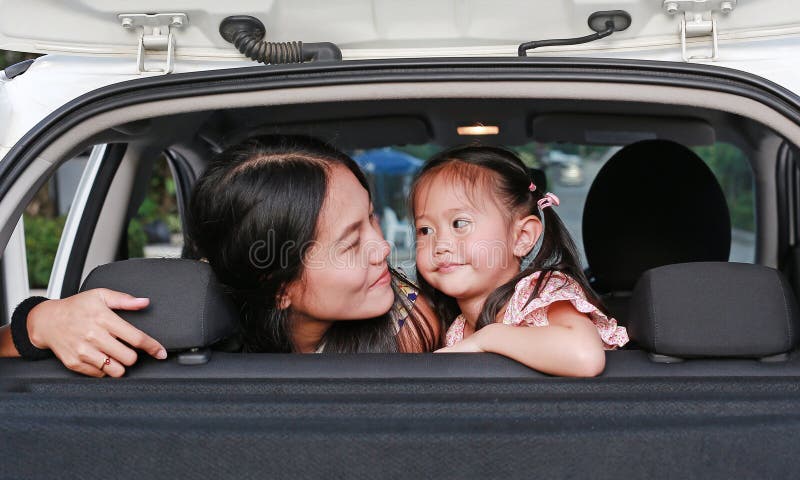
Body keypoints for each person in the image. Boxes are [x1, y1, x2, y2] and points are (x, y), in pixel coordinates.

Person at [0, 135, 440, 376]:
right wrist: (42, 322)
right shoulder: (174, 329)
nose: (383, 248)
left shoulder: (407, 324)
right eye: (350, 242)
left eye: (371, 217)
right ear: (280, 287)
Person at [411, 145, 628, 376]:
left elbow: (584, 356)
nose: (440, 244)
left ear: (522, 237)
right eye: (425, 230)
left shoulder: (541, 293)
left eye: (460, 223)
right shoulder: (455, 326)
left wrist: (488, 337)